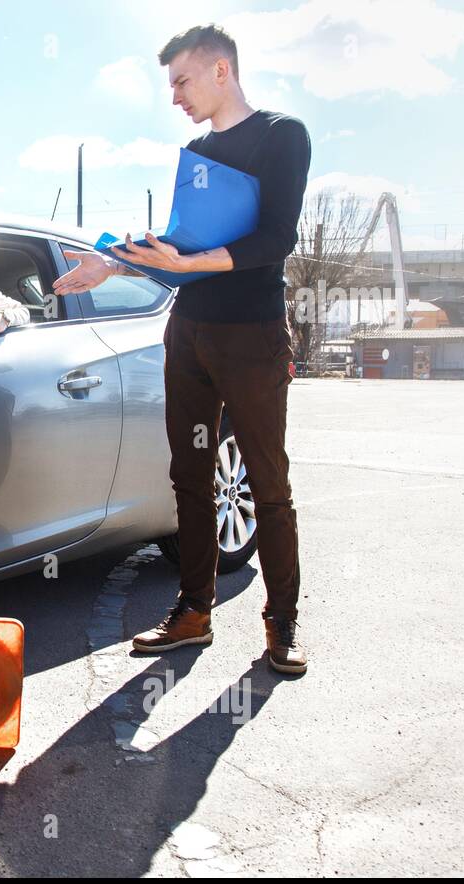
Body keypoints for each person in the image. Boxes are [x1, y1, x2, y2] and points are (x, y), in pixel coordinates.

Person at [53, 24, 312, 675]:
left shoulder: (283, 134)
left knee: (267, 478)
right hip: (188, 332)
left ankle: (281, 622)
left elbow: (274, 239)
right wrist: (111, 263)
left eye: (181, 81)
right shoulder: (196, 150)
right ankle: (193, 609)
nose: (175, 97)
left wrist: (192, 258)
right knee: (189, 476)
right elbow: (177, 249)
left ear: (221, 70)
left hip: (252, 335)